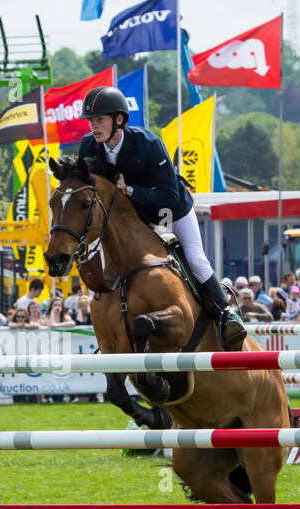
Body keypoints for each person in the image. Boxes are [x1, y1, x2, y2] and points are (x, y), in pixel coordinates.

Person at [77, 85, 246, 350]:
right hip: (138, 217)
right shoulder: (89, 146)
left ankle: (227, 314)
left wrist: (129, 191)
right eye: (91, 121)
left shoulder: (148, 144)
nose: (93, 126)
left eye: (99, 119)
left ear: (119, 120)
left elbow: (168, 194)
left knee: (195, 259)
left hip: (172, 209)